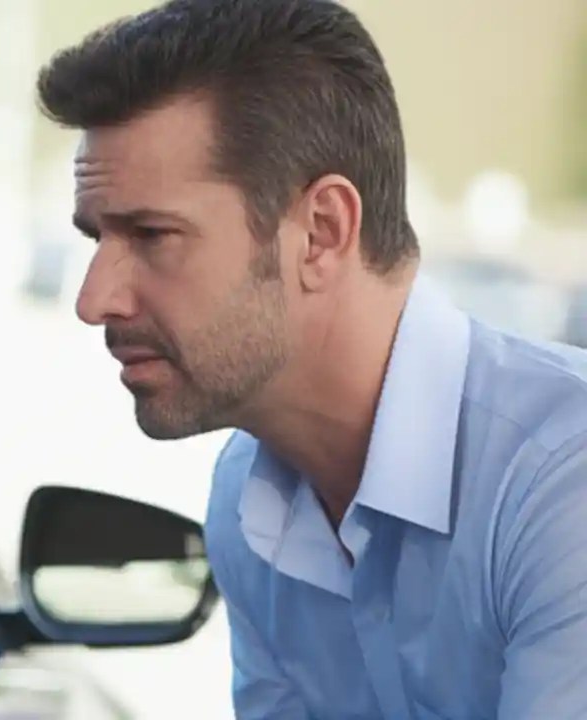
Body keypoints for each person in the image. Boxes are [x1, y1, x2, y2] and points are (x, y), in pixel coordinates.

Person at [37, 0, 587, 717]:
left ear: (322, 232)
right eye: (96, 239)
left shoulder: (560, 481)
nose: (94, 298)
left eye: (151, 235)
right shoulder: (246, 498)